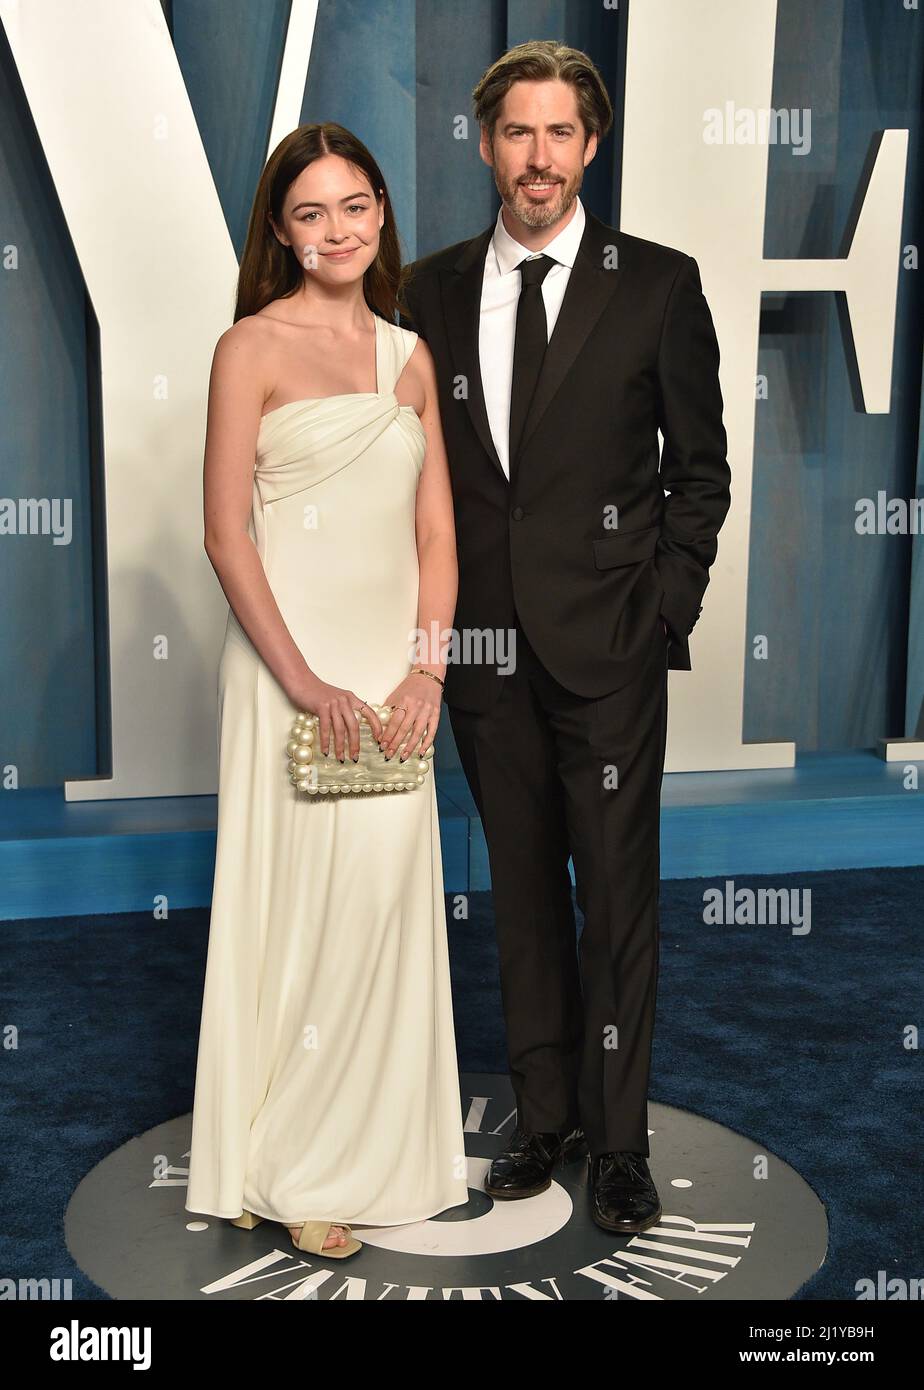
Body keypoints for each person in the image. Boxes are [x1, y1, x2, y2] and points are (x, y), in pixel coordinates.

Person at [399, 41, 731, 1234]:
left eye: (560, 135)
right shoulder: (428, 292)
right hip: (485, 654)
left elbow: (700, 476)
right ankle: (546, 1122)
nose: (537, 159)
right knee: (524, 894)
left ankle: (622, 1139)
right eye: (517, 134)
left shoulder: (655, 283)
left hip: (609, 655)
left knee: (618, 900)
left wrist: (662, 615)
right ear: (486, 145)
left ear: (591, 147)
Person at [185, 123, 468, 1258]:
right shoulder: (246, 347)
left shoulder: (410, 355)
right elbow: (222, 533)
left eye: (355, 205)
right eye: (312, 213)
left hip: (393, 684)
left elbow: (438, 527)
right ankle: (292, 1165)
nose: (338, 229)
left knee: (383, 910)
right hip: (288, 675)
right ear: (283, 232)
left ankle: (371, 1148)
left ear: (382, 213)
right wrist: (302, 680)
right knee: (300, 912)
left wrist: (428, 667)